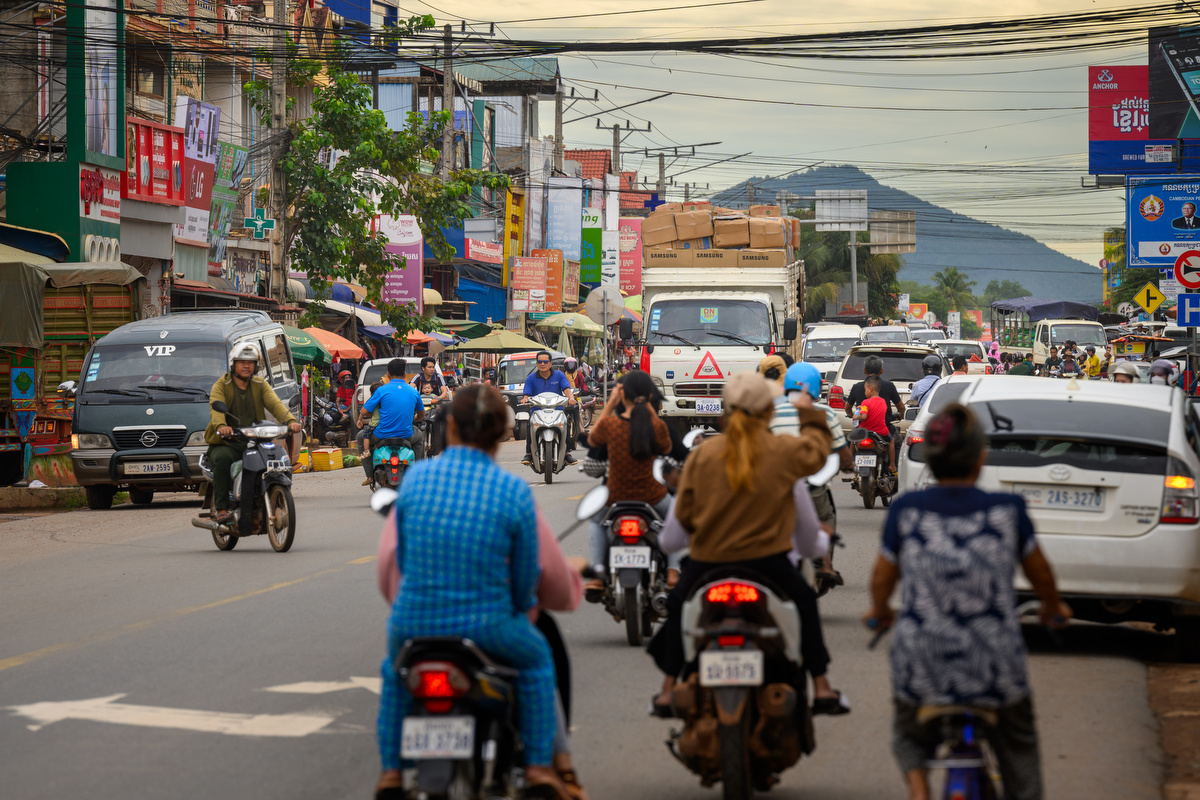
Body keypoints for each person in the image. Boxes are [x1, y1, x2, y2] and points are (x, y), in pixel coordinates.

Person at [863, 404, 1071, 800]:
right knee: (1019, 746)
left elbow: (881, 579)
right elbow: (1041, 575)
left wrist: (879, 612)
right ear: (980, 457)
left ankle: (919, 788)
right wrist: (1053, 608)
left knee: (908, 736)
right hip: (993, 665)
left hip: (922, 662)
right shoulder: (1007, 511)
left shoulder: (907, 510)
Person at [374, 385, 571, 800]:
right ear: (502, 434)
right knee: (538, 662)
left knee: (395, 672)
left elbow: (401, 562)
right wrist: (519, 608)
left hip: (412, 622)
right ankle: (537, 767)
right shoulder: (513, 491)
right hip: (490, 626)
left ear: (449, 427)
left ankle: (391, 773)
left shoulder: (417, 480)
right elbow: (523, 581)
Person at [647, 372, 849, 718]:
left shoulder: (701, 457)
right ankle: (823, 686)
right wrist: (809, 412)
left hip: (706, 568)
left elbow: (671, 540)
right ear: (770, 412)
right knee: (805, 603)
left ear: (723, 415)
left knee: (678, 607)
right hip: (770, 566)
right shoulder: (784, 452)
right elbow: (808, 529)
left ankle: (667, 691)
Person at [584, 372, 676, 592]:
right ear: (650, 396)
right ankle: (673, 570)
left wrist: (610, 404)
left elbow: (592, 439)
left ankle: (597, 573)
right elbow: (666, 448)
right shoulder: (656, 426)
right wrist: (649, 407)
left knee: (596, 521)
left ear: (621, 394)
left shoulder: (611, 425)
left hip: (615, 497)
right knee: (678, 516)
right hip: (652, 496)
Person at [205, 343, 302, 525]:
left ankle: (273, 494)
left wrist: (290, 421)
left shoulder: (260, 384)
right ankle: (222, 509)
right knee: (222, 459)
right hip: (228, 441)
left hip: (255, 440)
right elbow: (216, 408)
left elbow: (275, 404)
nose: (246, 366)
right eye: (242, 362)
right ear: (233, 364)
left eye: (250, 362)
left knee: (276, 457)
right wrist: (222, 426)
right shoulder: (222, 385)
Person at [783, 360, 852, 587]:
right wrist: (845, 464)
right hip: (809, 486)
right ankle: (825, 564)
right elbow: (843, 455)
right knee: (826, 517)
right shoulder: (825, 414)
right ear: (816, 388)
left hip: (770, 486)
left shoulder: (769, 412)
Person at [356, 359, 424, 483]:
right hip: (407, 434)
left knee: (361, 437)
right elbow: (421, 415)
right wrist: (414, 419)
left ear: (388, 374)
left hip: (381, 434)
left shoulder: (381, 390)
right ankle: (417, 474)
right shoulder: (413, 391)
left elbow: (364, 411)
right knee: (419, 438)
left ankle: (369, 475)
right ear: (404, 375)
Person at [521, 351, 578, 466]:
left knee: (565, 423)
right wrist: (525, 399)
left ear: (550, 363)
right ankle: (529, 453)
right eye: (540, 362)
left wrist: (571, 398)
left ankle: (566, 453)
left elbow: (567, 389)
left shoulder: (559, 375)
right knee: (530, 425)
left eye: (545, 361)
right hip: (537, 411)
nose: (542, 364)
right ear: (536, 364)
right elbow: (526, 394)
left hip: (557, 409)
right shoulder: (531, 378)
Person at [845, 355, 904, 436]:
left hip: (863, 430)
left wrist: (851, 415)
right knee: (897, 442)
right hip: (884, 429)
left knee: (853, 441)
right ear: (881, 371)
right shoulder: (889, 386)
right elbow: (901, 407)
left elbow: (847, 408)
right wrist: (901, 415)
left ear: (864, 371)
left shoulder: (857, 387)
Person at [852, 375, 896, 472]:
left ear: (870, 389)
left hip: (865, 431)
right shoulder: (883, 401)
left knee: (853, 440)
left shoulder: (865, 403)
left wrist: (856, 416)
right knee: (891, 441)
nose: (865, 392)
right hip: (881, 432)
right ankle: (892, 465)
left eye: (865, 390)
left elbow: (863, 417)